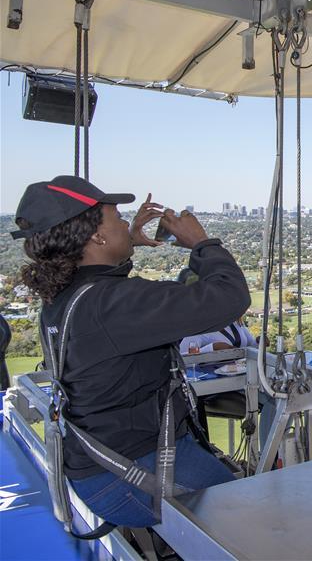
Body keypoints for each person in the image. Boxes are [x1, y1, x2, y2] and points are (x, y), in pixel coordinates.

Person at [12, 175, 251, 528]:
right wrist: (203, 243)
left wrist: (125, 244)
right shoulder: (112, 304)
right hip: (134, 468)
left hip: (101, 466)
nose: (127, 223)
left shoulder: (66, 296)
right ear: (97, 236)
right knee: (252, 521)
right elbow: (230, 297)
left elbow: (106, 292)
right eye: (118, 218)